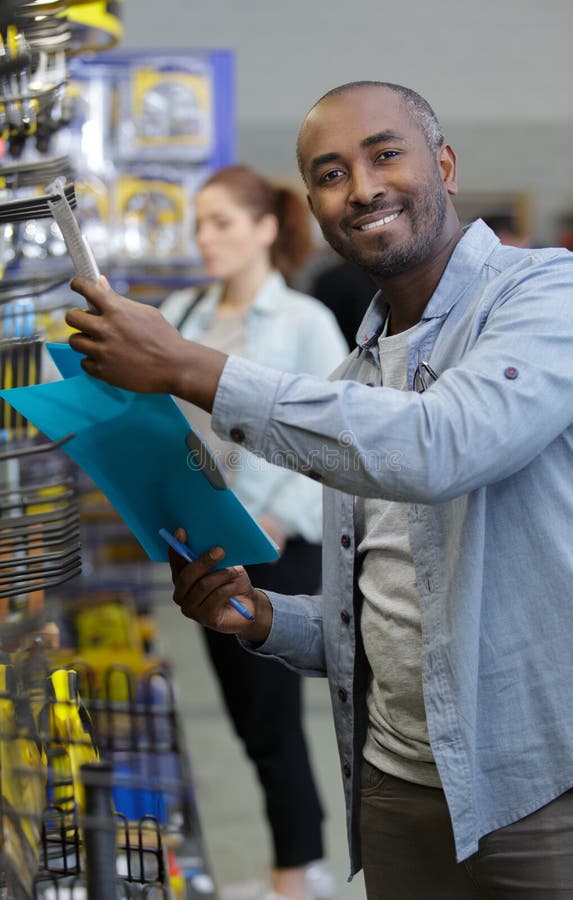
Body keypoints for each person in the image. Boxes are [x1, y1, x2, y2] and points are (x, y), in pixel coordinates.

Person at [65, 81, 573, 900]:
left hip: (548, 789)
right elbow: (393, 614)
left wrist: (187, 366)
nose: (363, 187)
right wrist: (269, 617)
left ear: (445, 164)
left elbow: (440, 445)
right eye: (331, 173)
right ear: (315, 206)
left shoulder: (558, 294)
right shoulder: (356, 371)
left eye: (385, 154)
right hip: (395, 788)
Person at [159, 164, 347, 900]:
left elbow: (336, 445)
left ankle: (296, 874)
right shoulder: (185, 311)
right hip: (201, 541)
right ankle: (296, 864)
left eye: (222, 223)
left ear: (266, 229)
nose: (205, 238)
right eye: (199, 223)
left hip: (275, 546)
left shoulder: (304, 323)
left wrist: (275, 515)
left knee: (272, 722)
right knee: (243, 718)